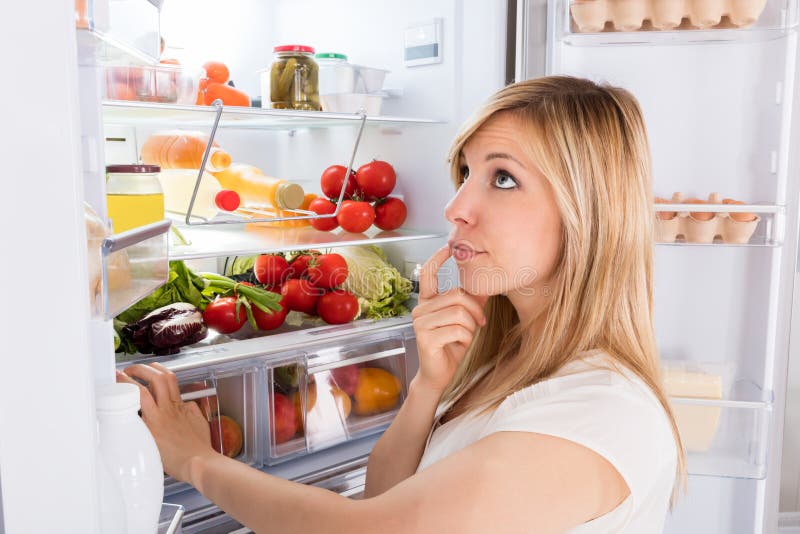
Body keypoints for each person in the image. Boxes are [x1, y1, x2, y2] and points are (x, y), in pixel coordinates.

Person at [119, 75, 685, 533]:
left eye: (504, 178)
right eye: (465, 172)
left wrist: (195, 458)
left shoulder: (602, 411)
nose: (457, 206)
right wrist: (427, 390)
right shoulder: (506, 362)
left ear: (588, 212)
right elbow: (385, 495)